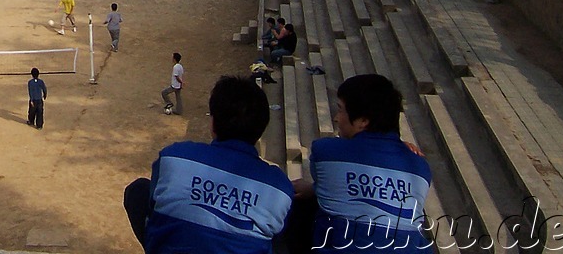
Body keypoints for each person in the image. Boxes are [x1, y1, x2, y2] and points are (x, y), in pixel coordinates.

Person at [124, 76, 293, 253]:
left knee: (138, 191)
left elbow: (154, 202)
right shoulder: (279, 186)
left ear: (212, 123)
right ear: (261, 129)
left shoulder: (174, 157)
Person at [291, 74, 434, 253]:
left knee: (301, 207)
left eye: (340, 110)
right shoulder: (420, 167)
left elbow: (338, 186)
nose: (336, 118)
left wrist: (312, 191)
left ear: (363, 121)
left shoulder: (326, 151)